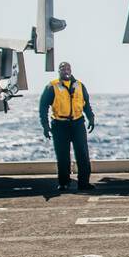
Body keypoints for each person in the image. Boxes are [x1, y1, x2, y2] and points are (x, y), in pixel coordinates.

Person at [38, 61, 95, 192]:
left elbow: (86, 104)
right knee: (62, 156)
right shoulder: (52, 86)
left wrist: (91, 118)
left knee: (83, 154)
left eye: (68, 68)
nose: (66, 71)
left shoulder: (80, 85)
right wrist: (45, 126)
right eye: (62, 69)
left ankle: (84, 183)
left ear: (71, 70)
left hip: (77, 123)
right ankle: (64, 183)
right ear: (59, 71)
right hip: (59, 125)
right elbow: (43, 107)